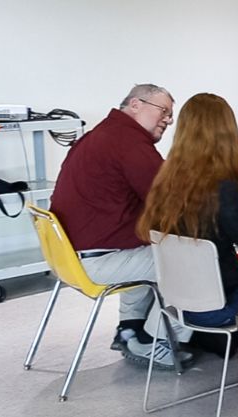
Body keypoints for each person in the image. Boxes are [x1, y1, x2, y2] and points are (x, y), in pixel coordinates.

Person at [50, 84, 191, 368]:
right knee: (188, 262)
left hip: (71, 257)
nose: (168, 119)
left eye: (171, 115)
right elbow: (170, 201)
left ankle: (129, 331)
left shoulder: (101, 135)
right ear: (135, 105)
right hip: (99, 259)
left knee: (148, 248)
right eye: (163, 111)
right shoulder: (129, 144)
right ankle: (155, 340)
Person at [137, 93, 238, 336]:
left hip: (177, 303)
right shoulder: (223, 186)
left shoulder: (167, 177)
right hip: (218, 308)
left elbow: (216, 213)